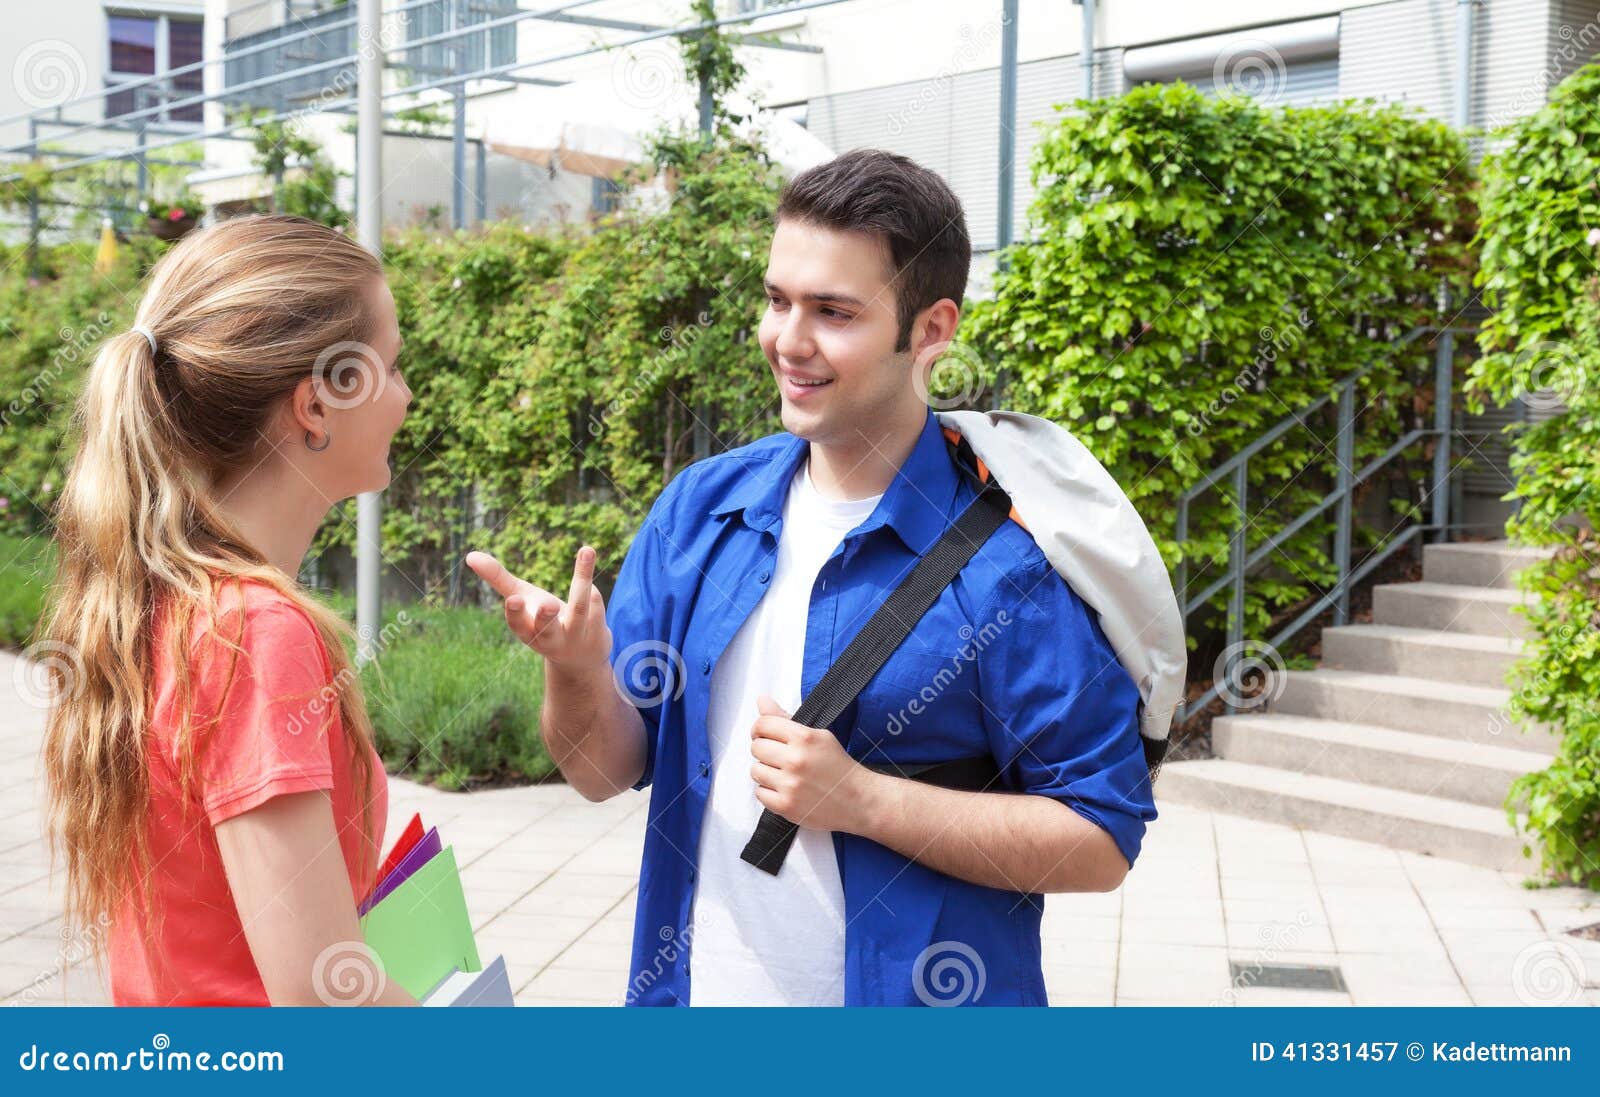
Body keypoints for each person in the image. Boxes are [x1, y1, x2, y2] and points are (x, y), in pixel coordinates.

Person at [467, 149, 1158, 1006]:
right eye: (776, 299)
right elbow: (600, 771)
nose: (788, 341)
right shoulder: (701, 511)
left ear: (932, 330)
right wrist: (571, 671)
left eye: (834, 311)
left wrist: (864, 801)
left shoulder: (1009, 563)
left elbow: (1099, 837)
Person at [39, 214, 417, 1006]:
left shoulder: (158, 598)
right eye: (390, 367)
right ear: (317, 404)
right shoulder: (255, 632)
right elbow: (321, 994)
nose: (407, 399)